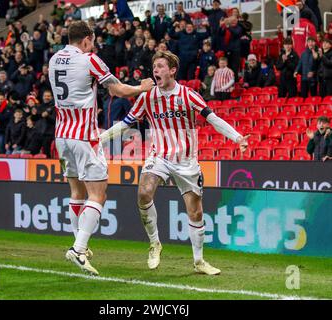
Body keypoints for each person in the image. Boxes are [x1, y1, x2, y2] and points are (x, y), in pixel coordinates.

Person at [101, 51, 249, 275]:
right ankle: (155, 243)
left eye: (160, 66)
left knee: (196, 212)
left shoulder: (188, 95)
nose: (156, 70)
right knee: (144, 192)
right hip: (159, 156)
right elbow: (125, 124)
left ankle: (199, 261)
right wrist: (100, 139)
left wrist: (237, 137)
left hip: (186, 161)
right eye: (154, 67)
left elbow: (213, 119)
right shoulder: (147, 97)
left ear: (172, 70)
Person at [48, 21, 154, 275]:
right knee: (98, 193)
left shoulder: (53, 60)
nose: (93, 45)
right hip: (85, 136)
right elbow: (117, 90)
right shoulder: (90, 59)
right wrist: (142, 87)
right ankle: (78, 249)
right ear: (86, 39)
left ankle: (77, 244)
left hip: (61, 136)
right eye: (92, 41)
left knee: (76, 191)